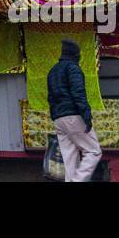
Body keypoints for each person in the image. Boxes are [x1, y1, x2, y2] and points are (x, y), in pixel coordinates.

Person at [46, 38, 102, 181]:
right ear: (75, 54)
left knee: (70, 158)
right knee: (93, 151)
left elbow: (50, 98)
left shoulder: (52, 71)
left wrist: (55, 117)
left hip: (59, 119)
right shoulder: (73, 69)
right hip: (73, 116)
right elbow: (78, 94)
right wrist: (87, 116)